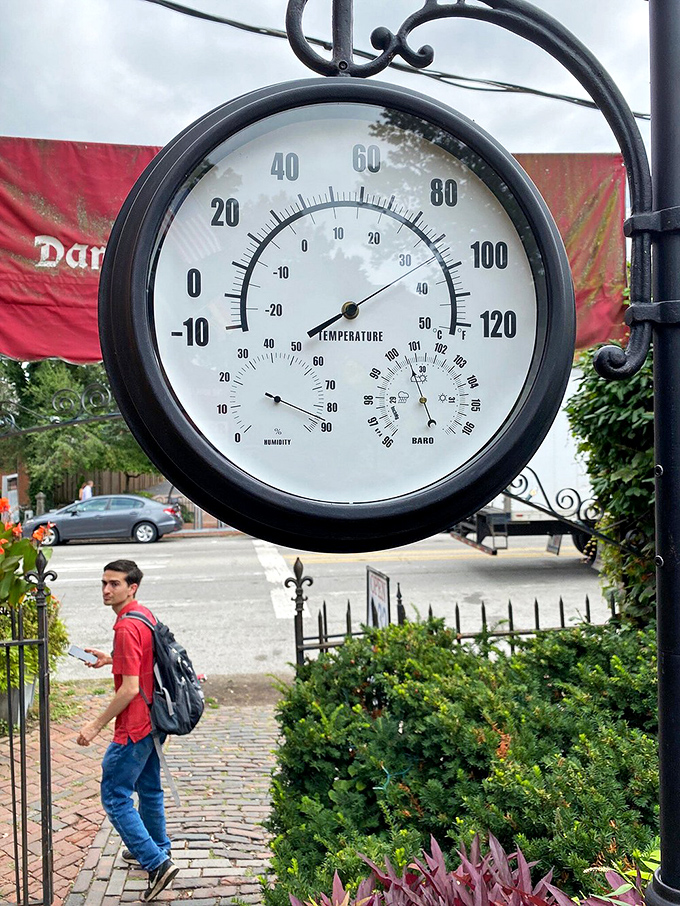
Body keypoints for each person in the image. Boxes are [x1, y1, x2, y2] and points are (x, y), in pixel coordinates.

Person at [76, 559, 178, 901]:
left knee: (114, 795)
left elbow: (129, 688)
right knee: (149, 789)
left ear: (132, 587)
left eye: (114, 584)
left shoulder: (125, 626)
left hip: (134, 725)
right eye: (104, 583)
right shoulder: (142, 615)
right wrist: (111, 660)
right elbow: (143, 659)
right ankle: (158, 847)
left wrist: (94, 725)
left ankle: (156, 864)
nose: (107, 590)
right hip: (155, 718)